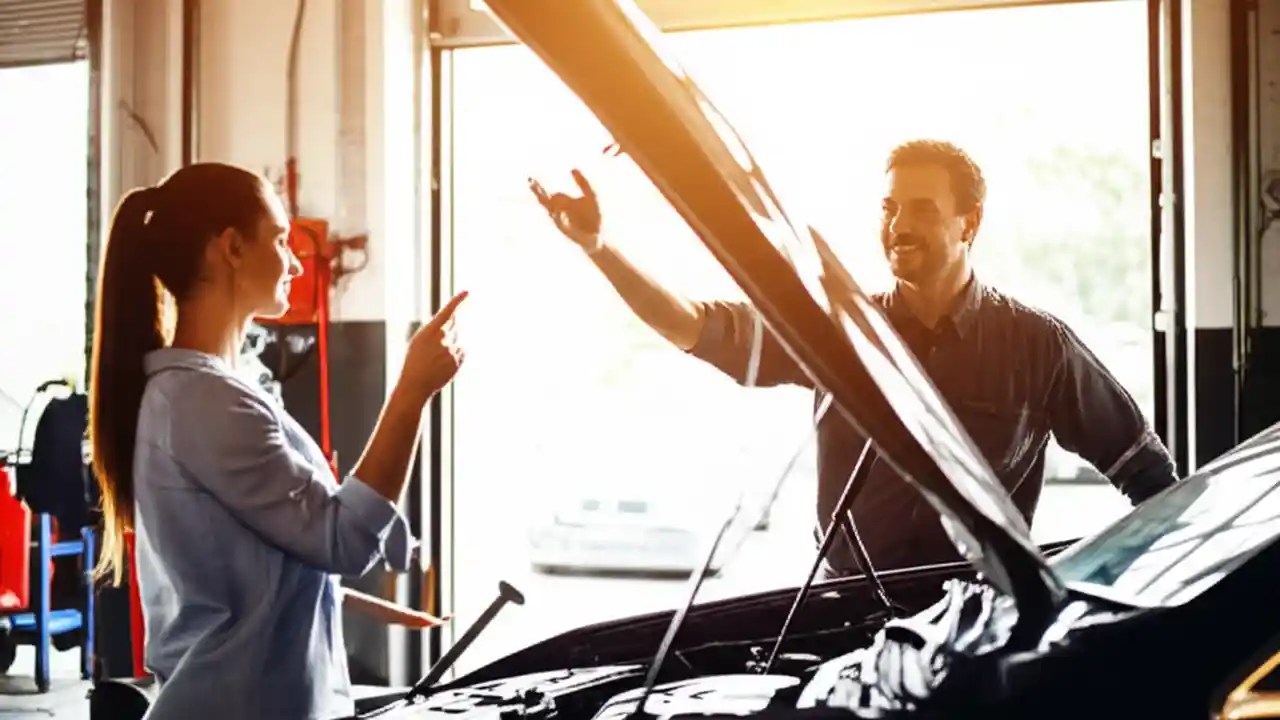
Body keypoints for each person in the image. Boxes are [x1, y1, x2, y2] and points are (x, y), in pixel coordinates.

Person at [529, 139, 1178, 577]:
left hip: (976, 628)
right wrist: (599, 247)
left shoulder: (1039, 347)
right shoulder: (835, 331)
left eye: (921, 210)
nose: (898, 226)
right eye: (890, 207)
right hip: (838, 618)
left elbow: (1148, 477)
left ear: (969, 223)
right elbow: (698, 328)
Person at [89, 162, 466, 719]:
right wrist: (411, 392)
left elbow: (241, 561)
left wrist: (337, 598)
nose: (293, 263)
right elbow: (345, 539)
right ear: (232, 248)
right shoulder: (204, 401)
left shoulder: (208, 393)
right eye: (282, 241)